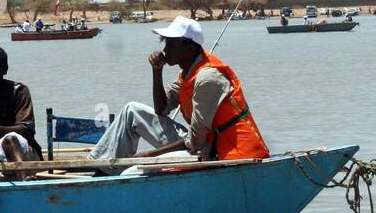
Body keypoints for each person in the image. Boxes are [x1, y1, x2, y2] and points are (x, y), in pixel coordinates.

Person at [88, 16, 270, 164]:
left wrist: (151, 155)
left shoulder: (207, 79)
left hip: (219, 150)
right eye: (165, 44)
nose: (165, 50)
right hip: (200, 142)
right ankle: (99, 163)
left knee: (140, 167)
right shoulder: (186, 73)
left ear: (190, 48)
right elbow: (162, 109)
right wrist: (157, 71)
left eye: (171, 45)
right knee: (132, 110)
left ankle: (111, 170)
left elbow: (196, 142)